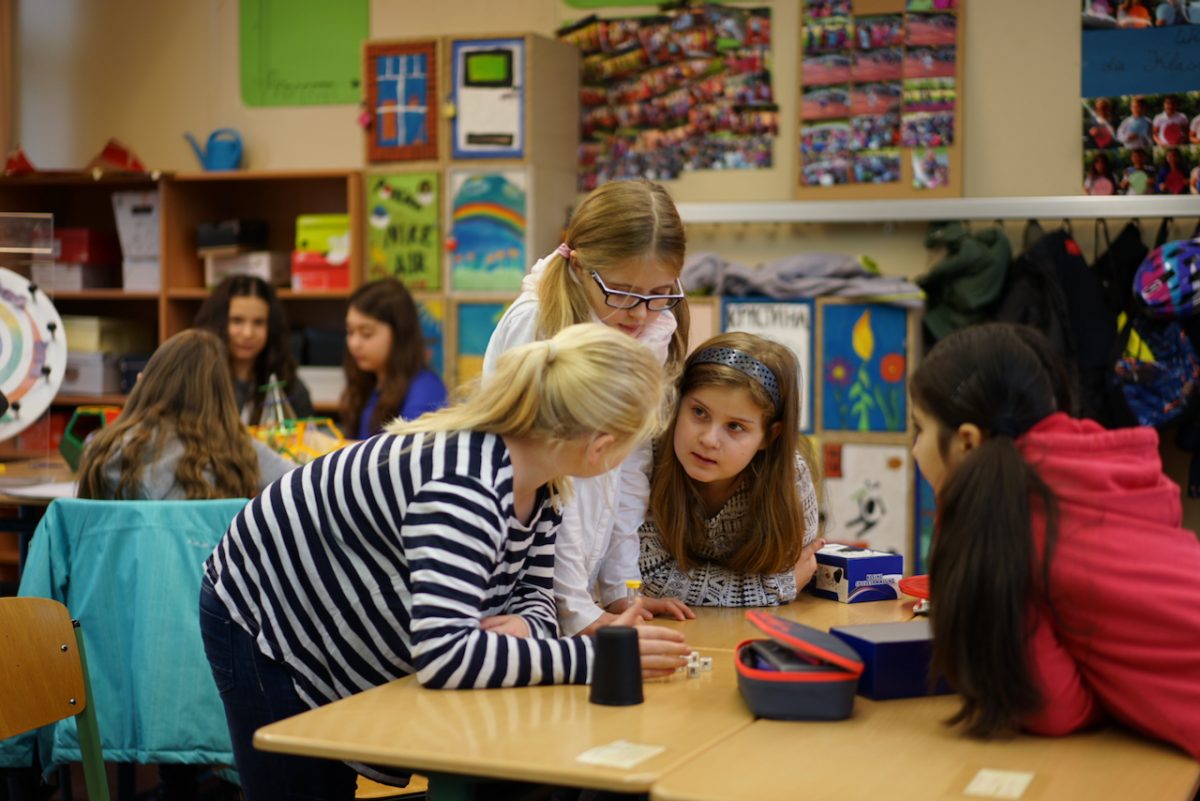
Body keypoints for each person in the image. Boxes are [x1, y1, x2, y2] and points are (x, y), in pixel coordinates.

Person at [200, 324, 692, 801]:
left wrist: (525, 626)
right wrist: (597, 657)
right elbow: (446, 658)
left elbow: (537, 597)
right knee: (306, 786)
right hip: (262, 614)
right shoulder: (467, 487)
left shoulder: (543, 480)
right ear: (601, 447)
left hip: (331, 604)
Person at [910, 323, 1200, 760]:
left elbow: (1052, 707)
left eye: (919, 429)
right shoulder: (1109, 473)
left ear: (967, 441)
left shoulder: (1006, 519)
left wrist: (1105, 690)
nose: (915, 450)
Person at [482, 178, 693, 636]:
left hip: (572, 595)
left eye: (659, 293)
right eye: (622, 291)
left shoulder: (647, 332)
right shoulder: (537, 324)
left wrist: (621, 588)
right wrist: (576, 611)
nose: (640, 313)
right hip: (519, 590)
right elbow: (549, 485)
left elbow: (627, 468)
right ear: (578, 266)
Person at [638, 333, 823, 606]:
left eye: (735, 426)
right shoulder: (644, 460)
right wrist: (772, 589)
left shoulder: (790, 478)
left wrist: (777, 583)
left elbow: (796, 567)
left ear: (769, 436)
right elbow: (648, 576)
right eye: (699, 412)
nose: (709, 440)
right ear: (677, 404)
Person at [77, 329, 295, 500]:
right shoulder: (238, 449)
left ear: (148, 382)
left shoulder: (102, 448)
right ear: (220, 394)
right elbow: (301, 485)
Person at [193, 275, 313, 424]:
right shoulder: (196, 381)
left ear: (272, 328)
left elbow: (309, 435)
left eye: (258, 322)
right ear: (217, 323)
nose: (248, 333)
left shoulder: (290, 386)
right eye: (237, 321)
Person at [340, 278, 447, 439]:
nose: (354, 344)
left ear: (399, 334)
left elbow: (407, 449)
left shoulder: (426, 388)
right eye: (350, 332)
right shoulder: (369, 382)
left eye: (366, 334)